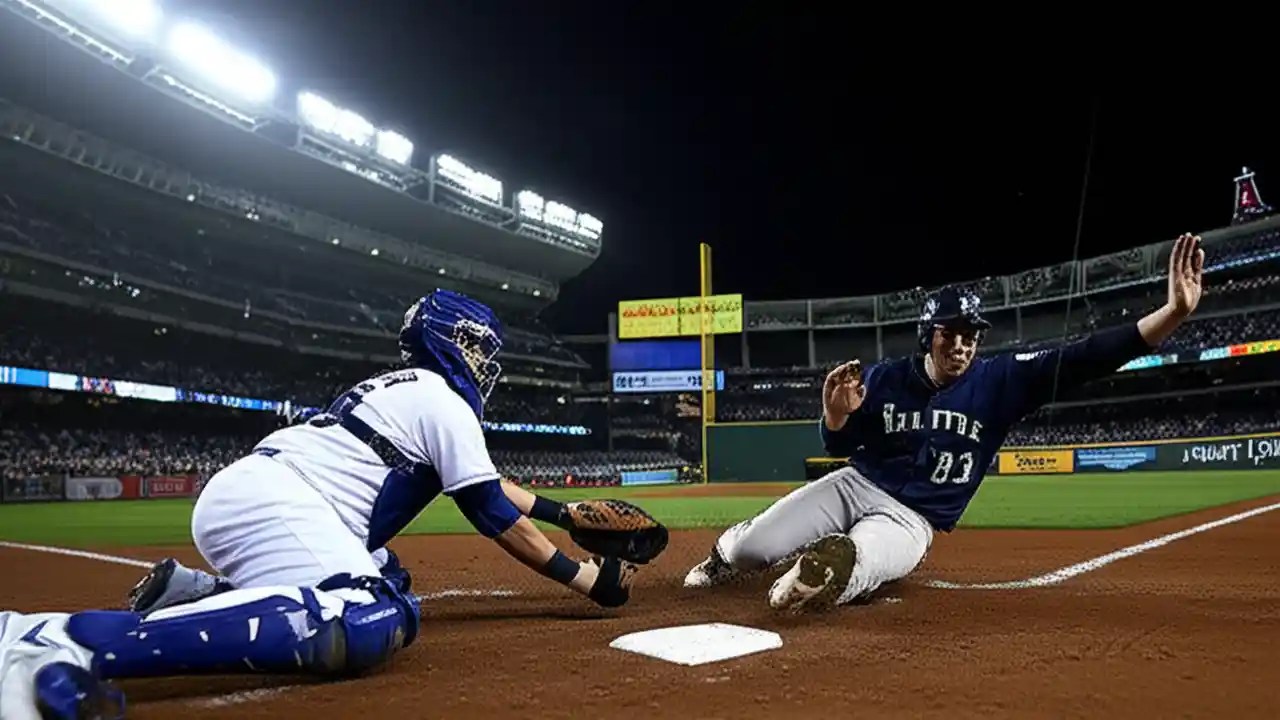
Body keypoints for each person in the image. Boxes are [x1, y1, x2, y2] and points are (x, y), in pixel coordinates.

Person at [0, 289, 641, 720]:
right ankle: (51, 641)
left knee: (386, 572)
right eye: (478, 348)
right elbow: (490, 512)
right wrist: (590, 580)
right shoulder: (444, 399)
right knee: (362, 613)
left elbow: (487, 486)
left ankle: (199, 594)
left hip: (269, 496)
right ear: (452, 341)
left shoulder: (413, 391)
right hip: (277, 502)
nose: (483, 364)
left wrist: (566, 514)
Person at [684, 234, 1206, 612]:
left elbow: (1087, 357)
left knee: (859, 560)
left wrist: (1171, 316)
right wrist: (836, 413)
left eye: (970, 333)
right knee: (752, 547)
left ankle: (824, 571)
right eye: (949, 332)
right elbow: (841, 444)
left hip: (911, 520)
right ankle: (723, 559)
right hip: (854, 484)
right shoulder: (885, 378)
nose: (961, 342)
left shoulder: (1002, 381)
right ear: (926, 335)